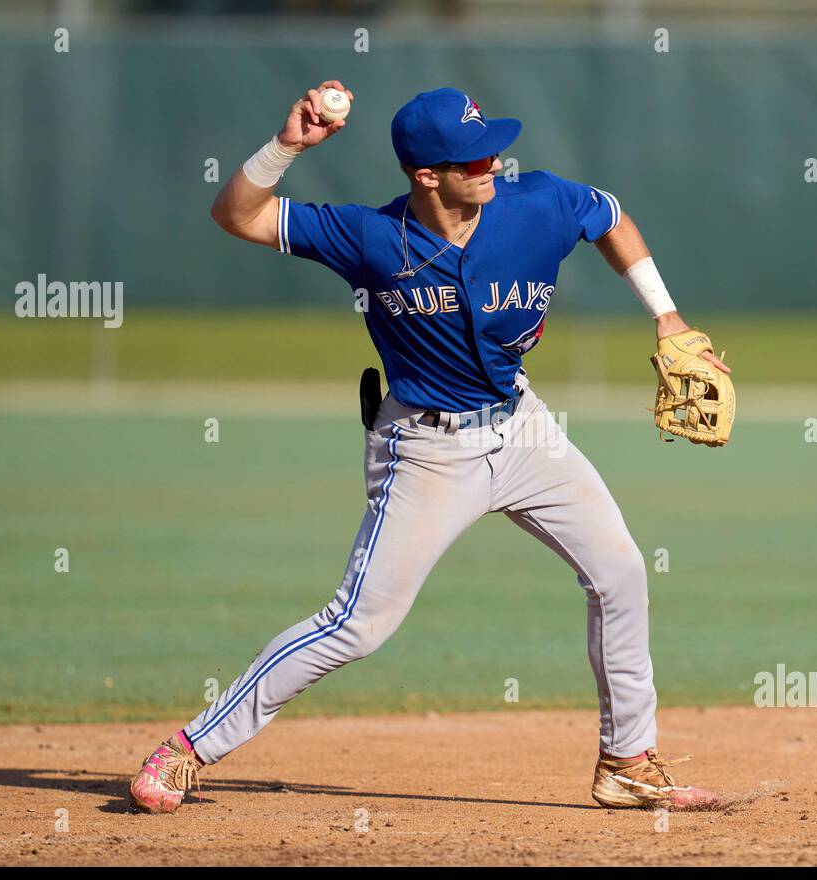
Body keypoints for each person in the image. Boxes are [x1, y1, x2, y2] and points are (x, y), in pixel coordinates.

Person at [129, 82, 732, 815]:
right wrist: (287, 145)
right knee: (359, 624)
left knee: (621, 570)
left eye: (494, 147)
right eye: (474, 156)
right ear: (427, 176)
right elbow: (236, 216)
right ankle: (187, 750)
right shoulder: (369, 237)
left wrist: (666, 317)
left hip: (524, 428)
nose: (493, 162)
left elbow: (610, 217)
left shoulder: (536, 204)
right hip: (424, 448)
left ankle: (628, 762)